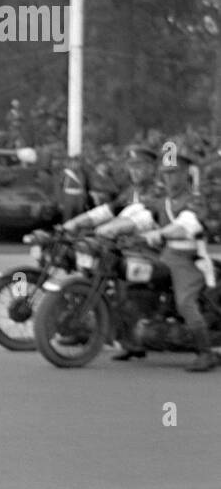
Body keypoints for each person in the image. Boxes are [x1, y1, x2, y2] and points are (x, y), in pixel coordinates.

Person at [63, 145, 161, 360]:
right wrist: (76, 222)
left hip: (152, 250)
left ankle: (134, 338)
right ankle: (97, 332)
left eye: (140, 166)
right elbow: (107, 210)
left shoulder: (157, 190)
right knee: (93, 274)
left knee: (127, 289)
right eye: (132, 166)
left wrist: (114, 228)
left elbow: (144, 217)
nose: (135, 171)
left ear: (152, 168)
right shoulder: (131, 192)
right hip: (125, 248)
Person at [140, 147, 216, 372]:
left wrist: (161, 233)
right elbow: (140, 217)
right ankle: (133, 340)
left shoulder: (195, 199)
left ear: (185, 174)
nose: (169, 177)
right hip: (165, 255)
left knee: (185, 302)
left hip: (189, 258)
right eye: (165, 173)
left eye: (174, 172)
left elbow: (186, 224)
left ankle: (206, 353)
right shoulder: (161, 202)